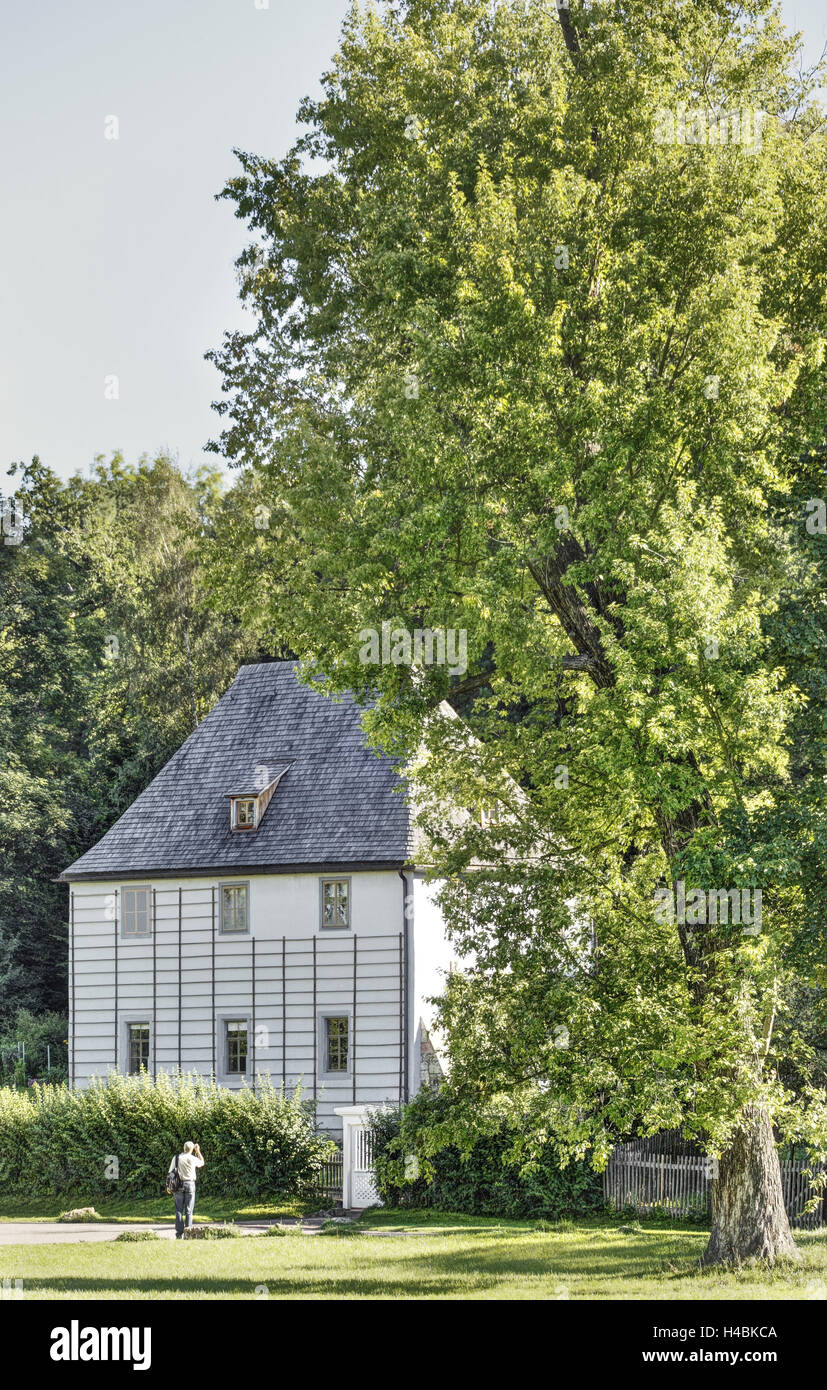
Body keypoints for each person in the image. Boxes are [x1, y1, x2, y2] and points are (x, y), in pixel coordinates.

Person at [167, 1140, 205, 1238]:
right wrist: (198, 1151)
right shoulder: (193, 1158)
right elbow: (202, 1162)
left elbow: (171, 1173)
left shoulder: (176, 1158)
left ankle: (179, 1234)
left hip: (178, 1185)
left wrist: (168, 1186)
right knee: (189, 1210)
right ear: (192, 1149)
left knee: (179, 1210)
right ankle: (188, 1233)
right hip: (190, 1184)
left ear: (183, 1148)